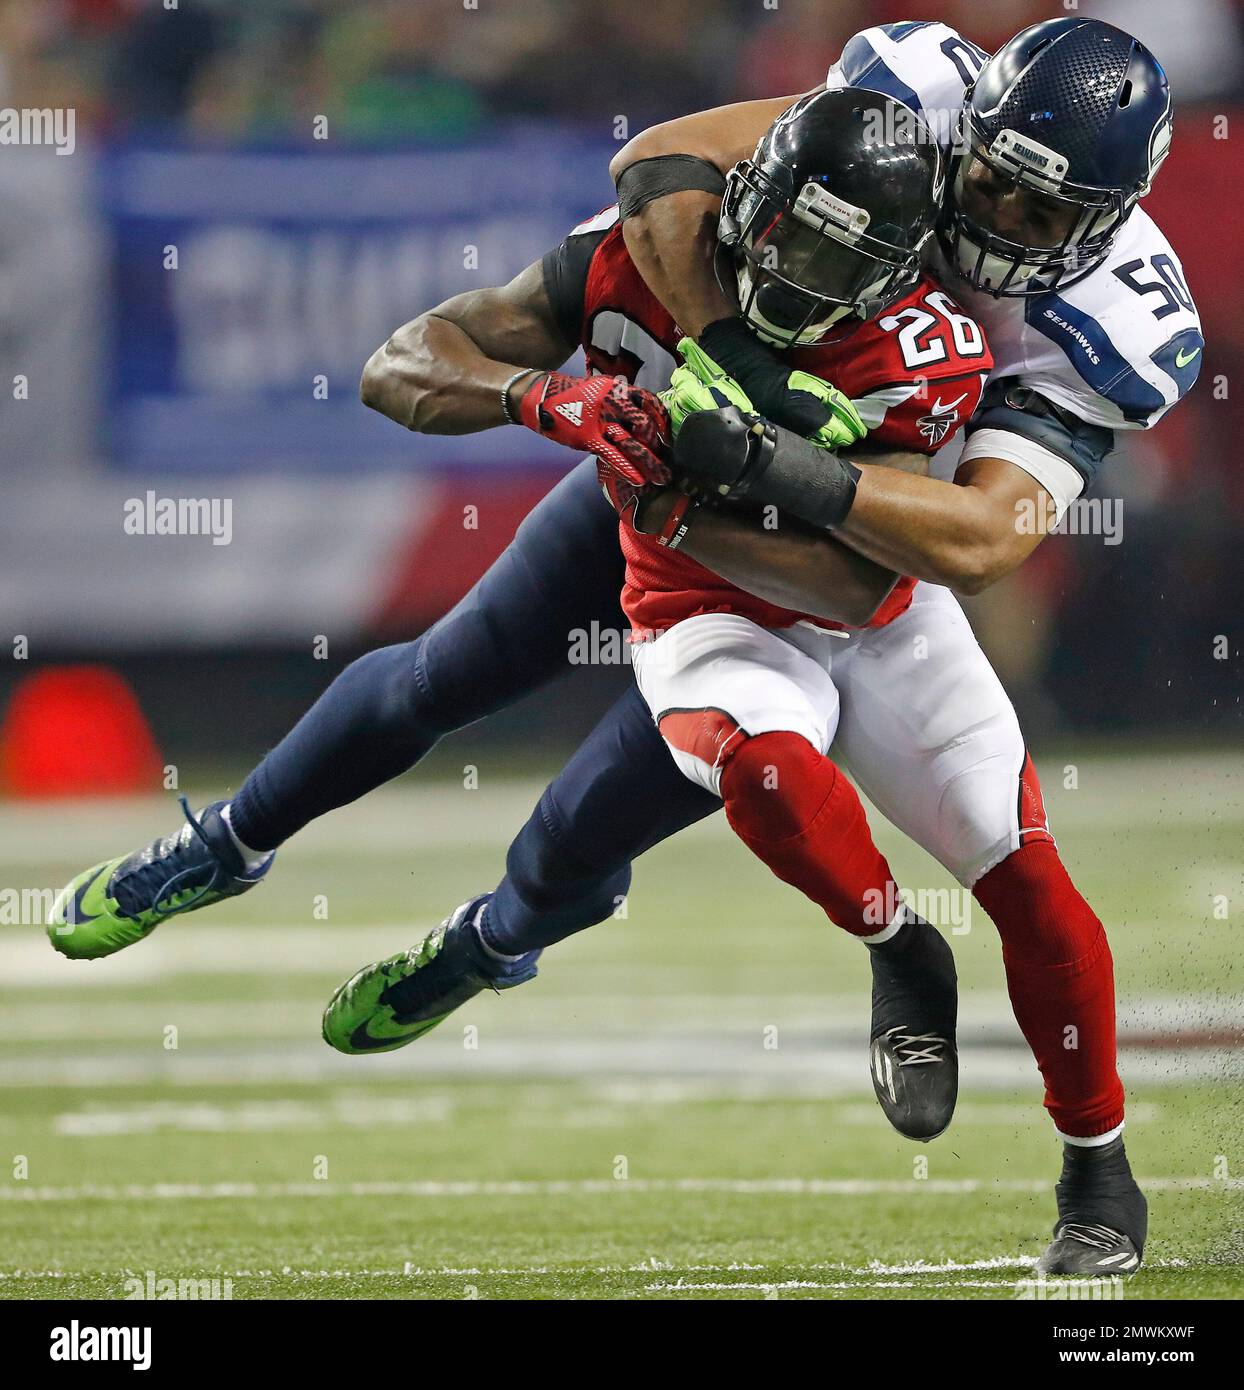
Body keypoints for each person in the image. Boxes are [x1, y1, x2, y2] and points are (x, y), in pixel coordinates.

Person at [50, 19, 1201, 1275]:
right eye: (982, 180)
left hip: (849, 569)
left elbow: (958, 547)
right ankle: (226, 844)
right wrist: (651, 377)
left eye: (1039, 215)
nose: (995, 217)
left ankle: (502, 942)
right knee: (454, 668)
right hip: (687, 561)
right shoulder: (810, 166)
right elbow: (653, 170)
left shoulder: (995, 348)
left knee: (592, 842)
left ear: (1102, 220)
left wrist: (764, 470)